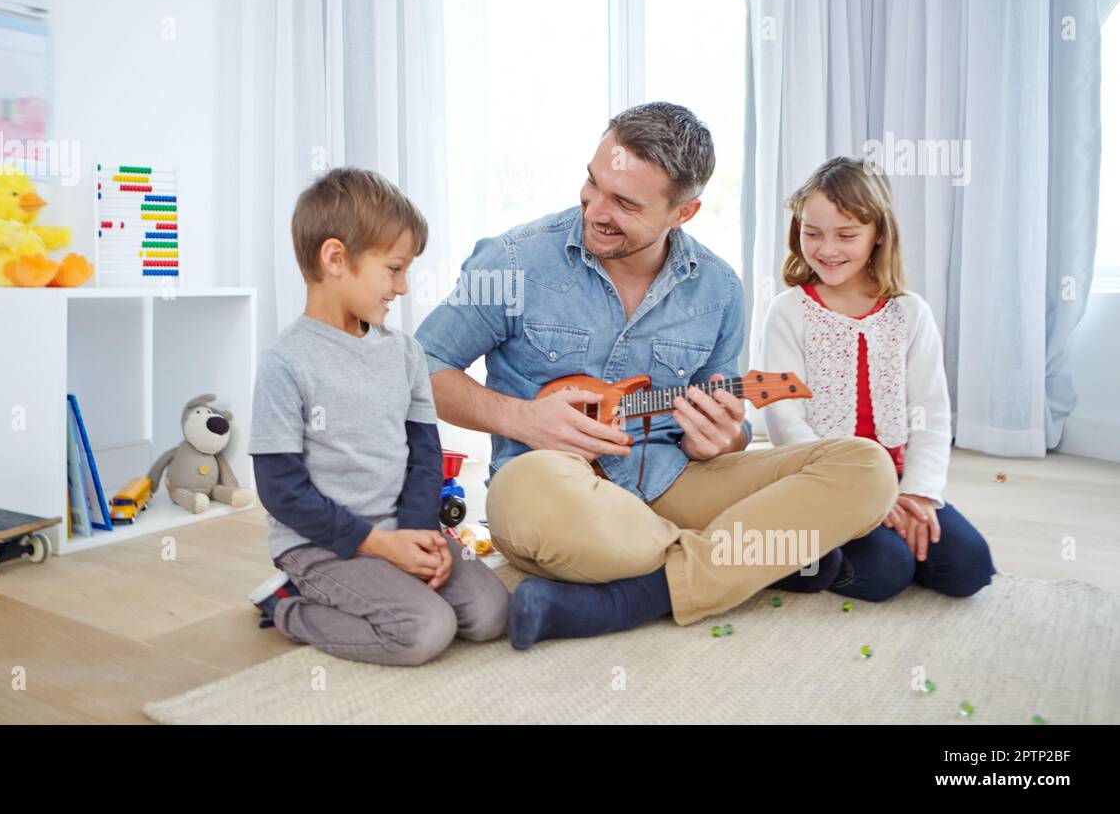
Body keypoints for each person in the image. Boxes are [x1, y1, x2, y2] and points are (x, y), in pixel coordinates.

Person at [415, 103, 898, 650]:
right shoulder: (512, 261)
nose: (595, 209)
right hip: (553, 487)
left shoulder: (718, 289)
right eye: (592, 184)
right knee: (531, 495)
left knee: (867, 468)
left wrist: (722, 437)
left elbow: (727, 427)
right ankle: (752, 554)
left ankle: (640, 593)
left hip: (673, 482)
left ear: (683, 212)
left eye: (624, 203)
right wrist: (523, 418)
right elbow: (420, 367)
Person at [248, 167, 509, 665]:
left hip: (399, 526)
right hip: (322, 545)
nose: (404, 287)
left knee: (490, 612)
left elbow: (425, 457)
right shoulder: (286, 364)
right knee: (424, 631)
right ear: (335, 259)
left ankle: (388, 581)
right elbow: (282, 491)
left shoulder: (406, 354)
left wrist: (417, 534)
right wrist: (380, 546)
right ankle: (287, 607)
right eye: (394, 269)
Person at [760, 156, 995, 601]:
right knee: (886, 573)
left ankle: (888, 539)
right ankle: (792, 557)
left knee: (969, 569)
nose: (827, 249)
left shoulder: (910, 312)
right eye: (812, 233)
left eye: (846, 235)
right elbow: (784, 420)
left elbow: (931, 411)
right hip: (825, 481)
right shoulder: (789, 311)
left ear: (879, 234)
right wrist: (866, 497)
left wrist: (918, 496)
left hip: (898, 477)